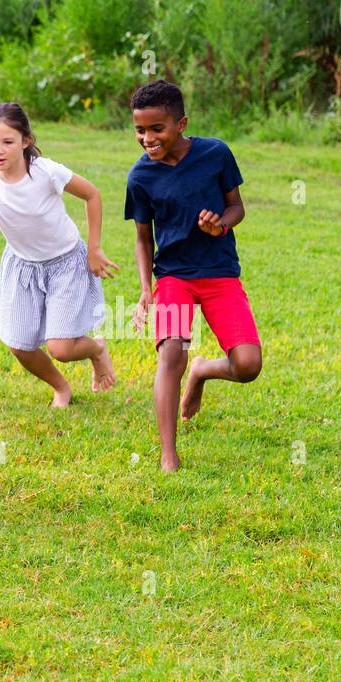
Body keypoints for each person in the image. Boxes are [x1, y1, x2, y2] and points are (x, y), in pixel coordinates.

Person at [125, 79, 262, 471]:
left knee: (248, 365)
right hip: (173, 278)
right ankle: (169, 453)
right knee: (171, 353)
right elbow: (142, 239)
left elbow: (237, 207)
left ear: (181, 123)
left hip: (220, 274)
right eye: (140, 130)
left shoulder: (216, 154)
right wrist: (145, 289)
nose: (148, 138)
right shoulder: (140, 177)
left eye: (157, 129)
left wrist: (220, 224)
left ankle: (203, 369)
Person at [0, 101, 117, 408]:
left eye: (7, 142)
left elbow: (92, 195)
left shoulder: (46, 172)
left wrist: (94, 248)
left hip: (65, 263)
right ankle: (61, 388)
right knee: (19, 345)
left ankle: (96, 349)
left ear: (25, 141)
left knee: (62, 348)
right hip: (22, 267)